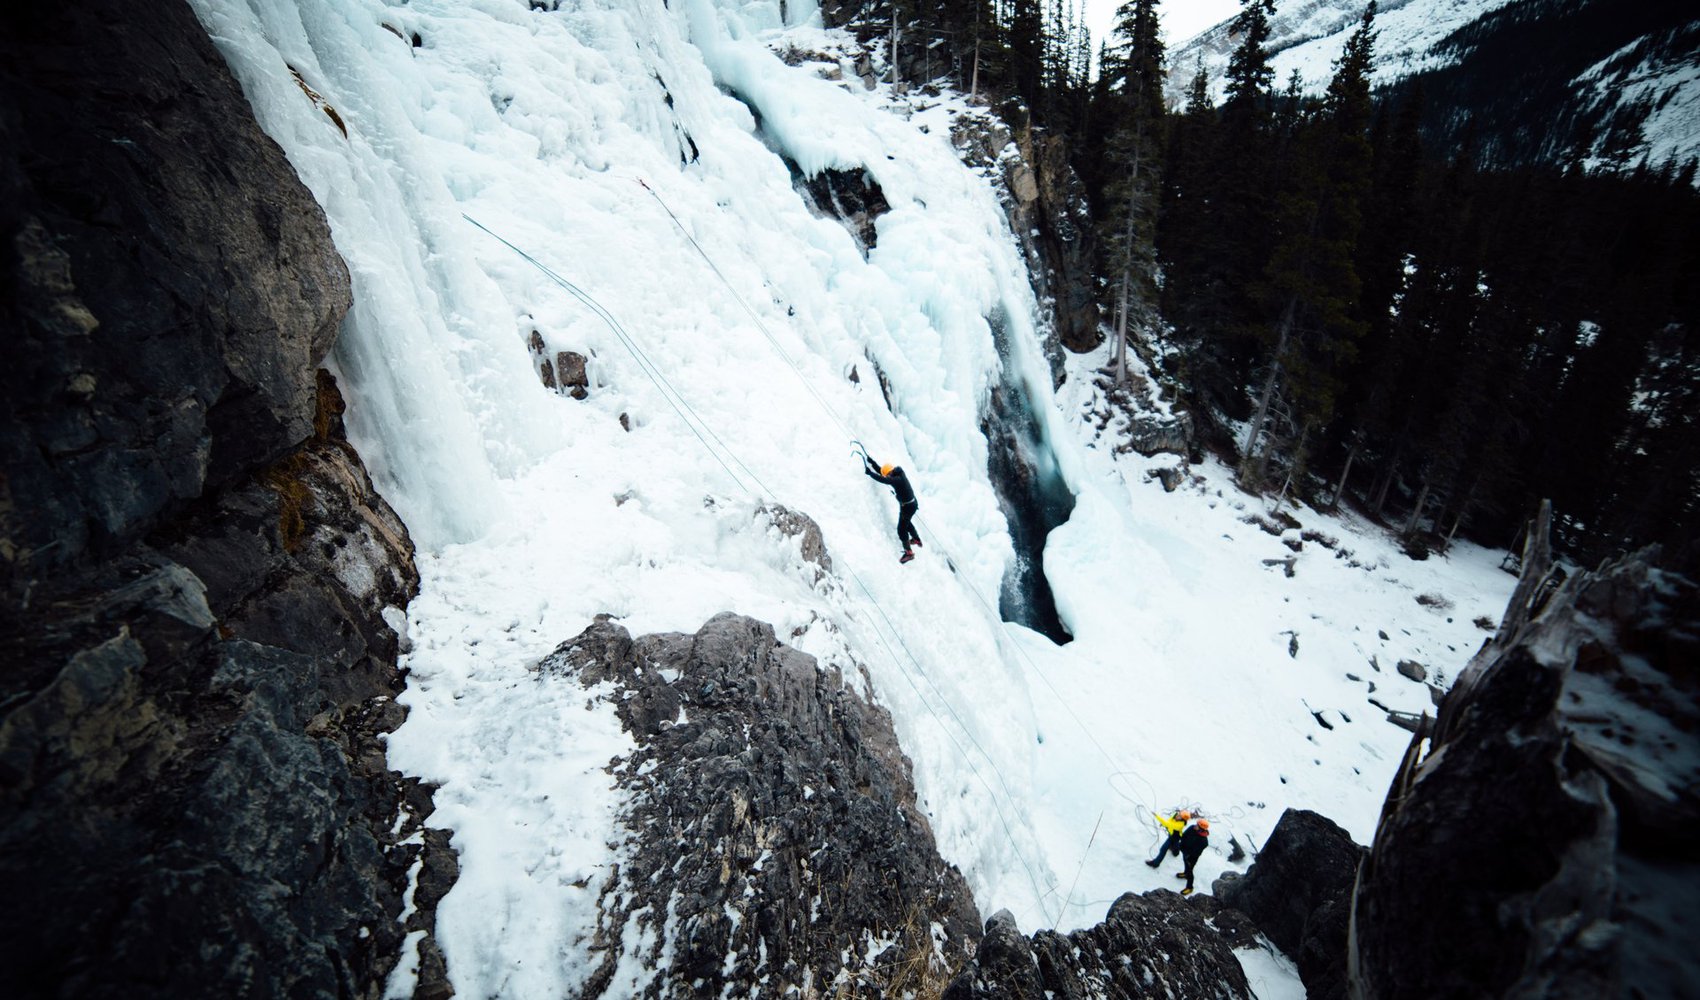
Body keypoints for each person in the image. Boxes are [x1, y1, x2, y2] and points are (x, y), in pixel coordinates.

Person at [863, 455, 922, 563]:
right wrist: (872, 462)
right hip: (911, 504)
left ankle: (909, 553)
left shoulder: (897, 480)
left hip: (907, 506)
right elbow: (882, 473)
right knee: (906, 522)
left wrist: (870, 473)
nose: (887, 476)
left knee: (901, 529)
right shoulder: (898, 473)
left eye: (888, 475)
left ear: (890, 473)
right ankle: (916, 539)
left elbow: (883, 479)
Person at [1177, 818, 1210, 895]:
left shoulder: (1204, 841)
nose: (1195, 826)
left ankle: (1189, 887)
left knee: (1190, 871)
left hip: (1192, 857)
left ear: (1201, 829)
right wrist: (1181, 845)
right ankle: (1185, 873)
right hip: (1185, 851)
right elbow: (1184, 835)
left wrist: (1188, 855)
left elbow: (1196, 851)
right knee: (1185, 863)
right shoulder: (1192, 828)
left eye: (1197, 825)